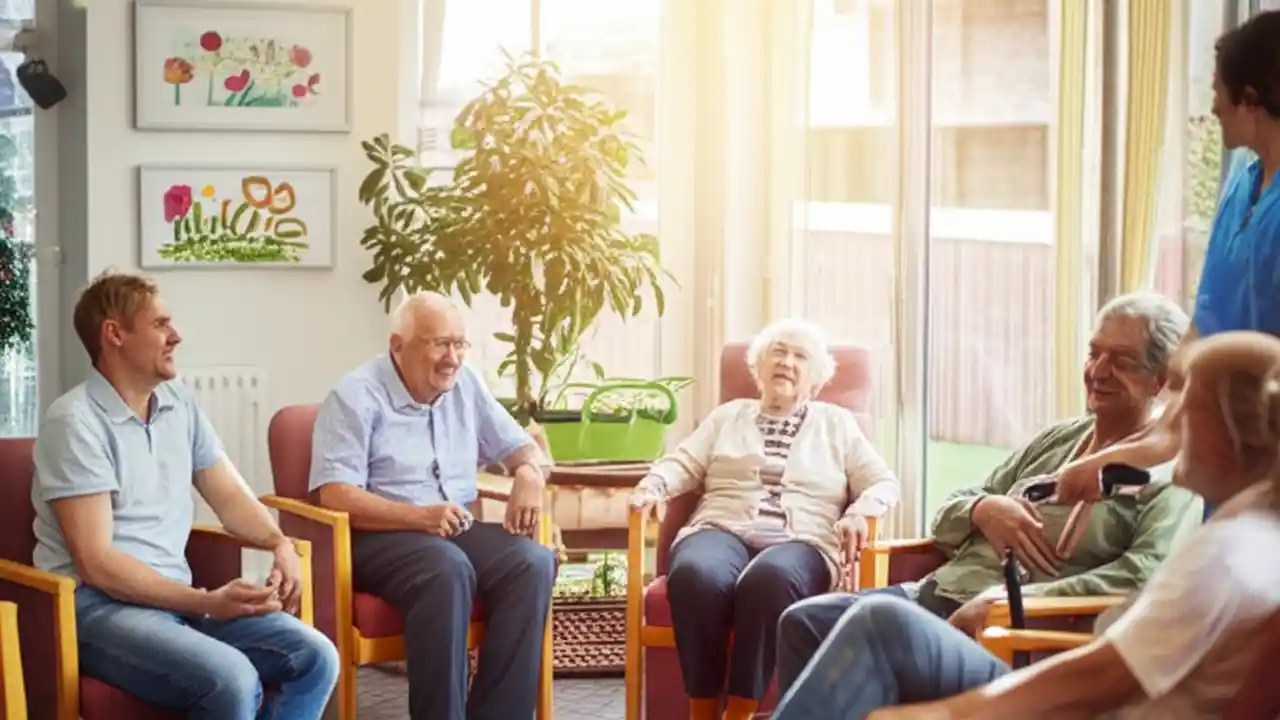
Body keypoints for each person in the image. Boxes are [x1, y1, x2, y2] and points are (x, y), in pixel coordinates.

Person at [769, 331, 1280, 720]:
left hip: (1030, 649)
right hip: (948, 599)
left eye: (1187, 410)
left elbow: (1102, 677)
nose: (1173, 426)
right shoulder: (1252, 535)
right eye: (1093, 353)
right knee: (816, 618)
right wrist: (984, 509)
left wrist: (951, 713)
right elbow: (954, 507)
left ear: (1235, 434)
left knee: (880, 623)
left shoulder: (1222, 553)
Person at [31, 271, 339, 719]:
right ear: (114, 334)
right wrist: (206, 603)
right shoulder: (74, 423)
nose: (176, 336)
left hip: (175, 597)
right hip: (97, 609)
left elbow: (229, 494)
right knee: (231, 680)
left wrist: (278, 543)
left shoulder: (178, 401)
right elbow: (97, 563)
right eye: (160, 325)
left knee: (315, 658)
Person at [1055, 9, 1280, 504]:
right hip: (1225, 481)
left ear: (1251, 98)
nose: (1213, 108)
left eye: (1219, 91)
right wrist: (1100, 461)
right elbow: (1189, 372)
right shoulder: (1241, 184)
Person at [627, 319, 900, 720]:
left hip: (803, 540)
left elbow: (883, 482)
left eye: (799, 356)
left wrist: (860, 513)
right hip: (720, 527)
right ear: (759, 366)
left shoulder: (836, 424)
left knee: (769, 580)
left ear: (816, 378)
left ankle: (739, 712)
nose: (786, 363)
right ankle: (701, 711)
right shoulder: (728, 416)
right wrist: (652, 485)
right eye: (778, 352)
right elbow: (684, 462)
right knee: (696, 574)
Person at [309, 291, 555, 720]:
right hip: (376, 535)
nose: (453, 357)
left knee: (532, 562)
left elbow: (522, 449)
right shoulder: (354, 395)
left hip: (449, 527)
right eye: (439, 343)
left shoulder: (467, 385)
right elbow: (334, 493)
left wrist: (530, 474)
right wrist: (421, 517)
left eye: (460, 343)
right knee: (446, 567)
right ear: (397, 346)